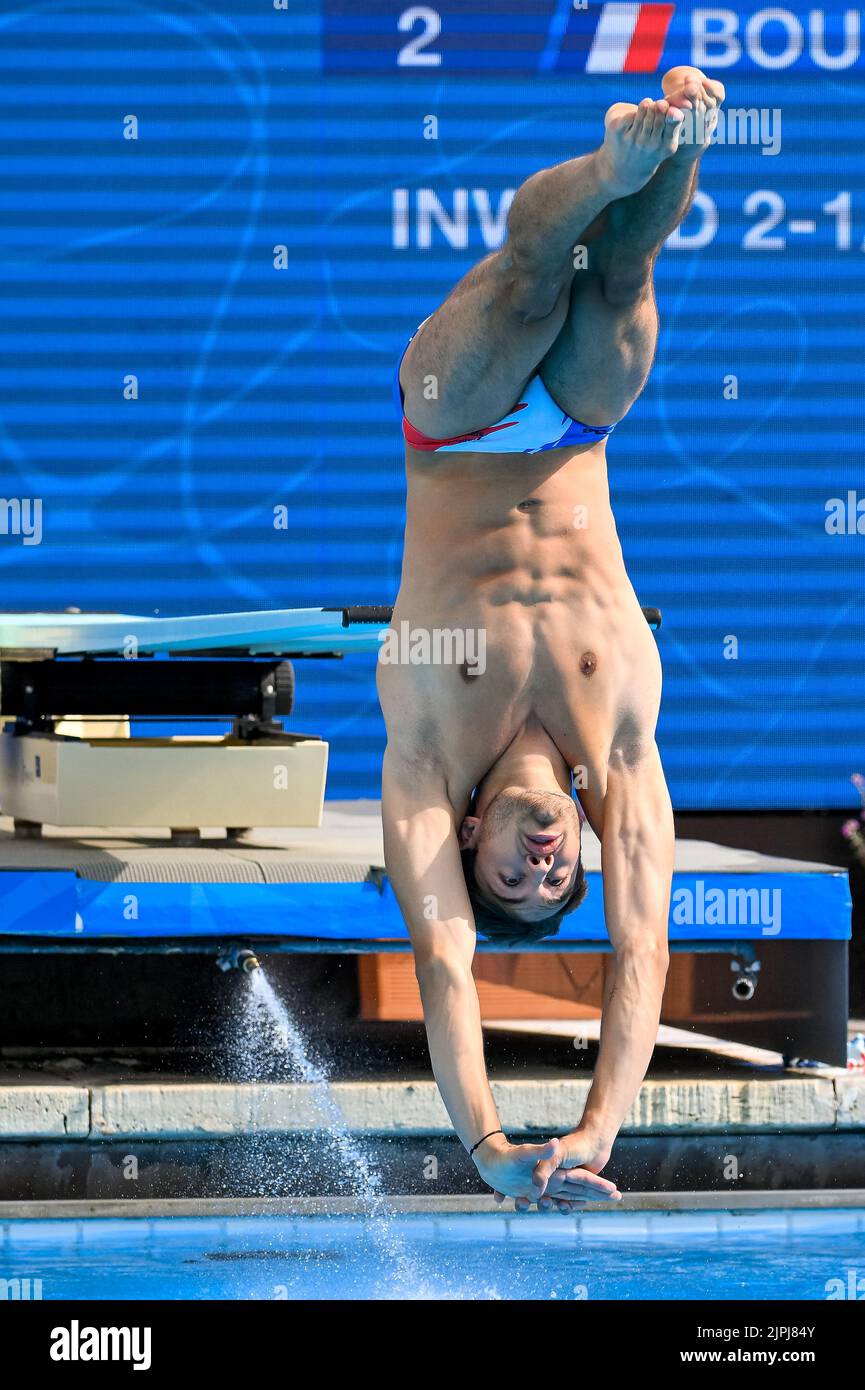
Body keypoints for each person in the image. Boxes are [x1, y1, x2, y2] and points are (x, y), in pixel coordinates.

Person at [377, 68, 725, 1212]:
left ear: (468, 835)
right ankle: (680, 138)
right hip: (578, 428)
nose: (541, 862)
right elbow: (640, 950)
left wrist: (485, 1147)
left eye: (508, 876)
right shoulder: (619, 743)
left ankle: (609, 165)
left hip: (451, 423)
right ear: (579, 828)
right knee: (619, 277)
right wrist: (597, 1127)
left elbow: (442, 962)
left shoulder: (427, 752)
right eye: (554, 870)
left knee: (533, 281)